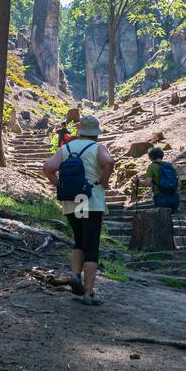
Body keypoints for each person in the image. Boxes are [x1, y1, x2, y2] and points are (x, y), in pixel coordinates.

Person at [43, 114, 114, 305]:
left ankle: (75, 275)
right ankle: (88, 293)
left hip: (72, 201)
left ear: (80, 131)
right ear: (95, 133)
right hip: (89, 200)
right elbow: (109, 162)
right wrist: (103, 182)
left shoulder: (65, 148)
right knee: (91, 246)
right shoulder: (97, 148)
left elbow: (48, 167)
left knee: (79, 240)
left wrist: (60, 186)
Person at [145, 145, 180, 213]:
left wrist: (138, 182)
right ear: (162, 155)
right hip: (174, 195)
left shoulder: (152, 166)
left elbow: (148, 183)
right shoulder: (171, 165)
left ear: (150, 157)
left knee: (162, 218)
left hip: (160, 195)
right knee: (172, 218)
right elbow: (179, 182)